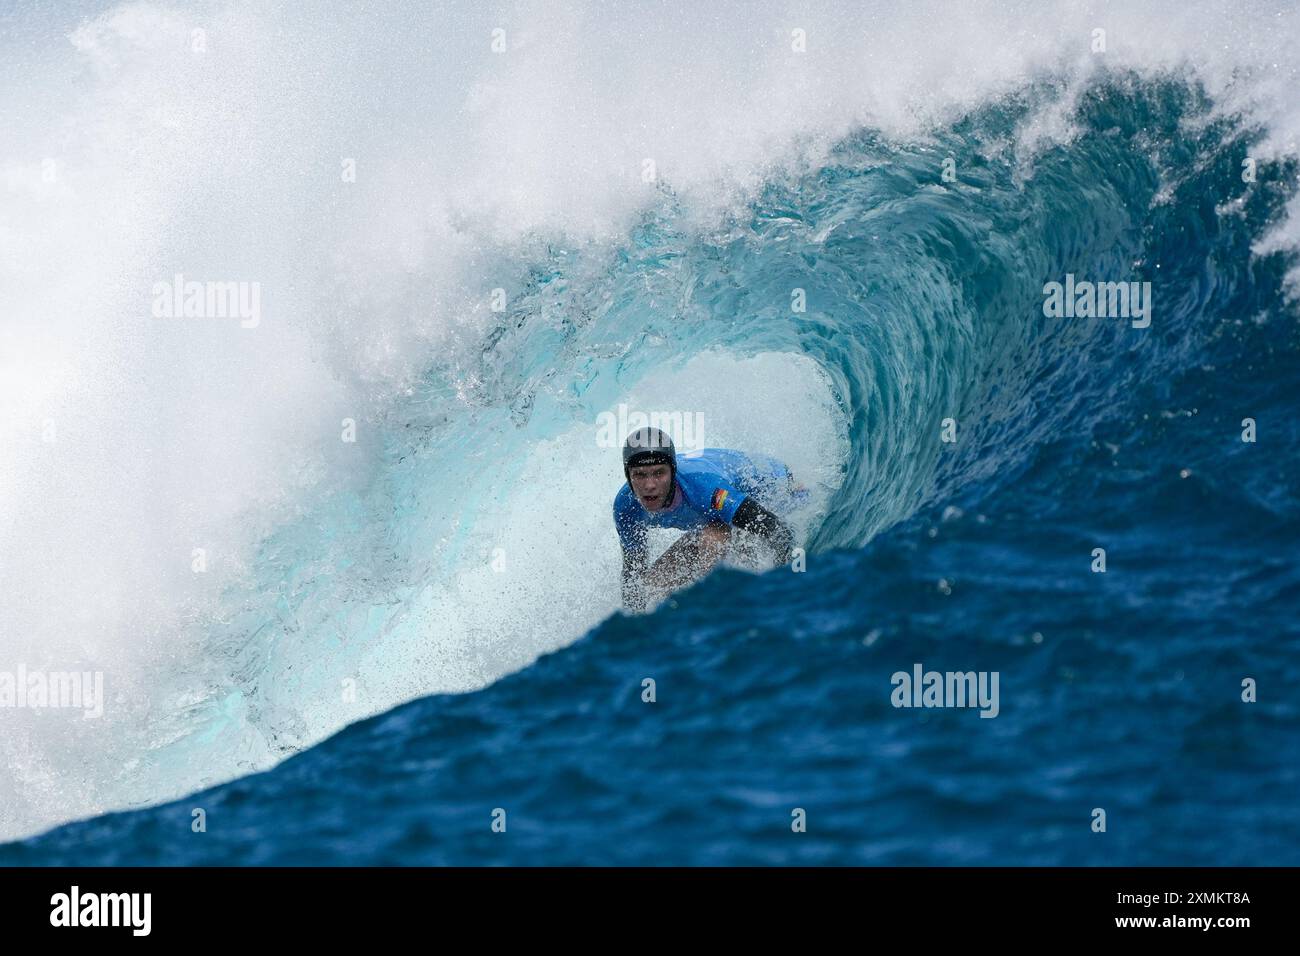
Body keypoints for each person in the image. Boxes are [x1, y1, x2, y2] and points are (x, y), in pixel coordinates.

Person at [614, 426, 804, 612]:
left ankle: (720, 613)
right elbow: (633, 574)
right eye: (639, 475)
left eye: (659, 473)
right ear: (628, 476)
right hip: (717, 519)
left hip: (776, 486)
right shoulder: (626, 507)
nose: (649, 485)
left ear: (673, 471)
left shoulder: (707, 490)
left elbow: (778, 531)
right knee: (650, 586)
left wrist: (790, 583)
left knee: (711, 543)